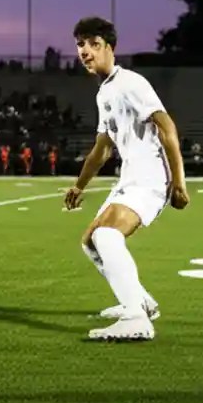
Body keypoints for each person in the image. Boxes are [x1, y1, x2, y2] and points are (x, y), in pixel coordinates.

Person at [63, 17, 189, 342]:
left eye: (94, 44)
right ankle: (141, 302)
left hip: (149, 179)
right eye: (80, 45)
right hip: (130, 179)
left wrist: (178, 182)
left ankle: (136, 319)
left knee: (106, 237)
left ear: (110, 47)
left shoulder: (131, 83)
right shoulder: (105, 93)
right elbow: (102, 149)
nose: (85, 52)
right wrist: (80, 185)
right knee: (91, 242)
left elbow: (167, 128)